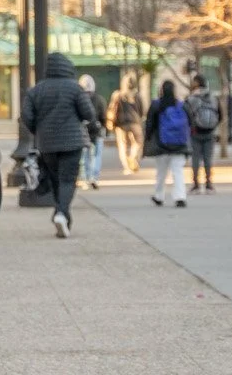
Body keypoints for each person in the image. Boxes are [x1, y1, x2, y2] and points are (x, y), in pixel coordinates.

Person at [21, 53, 98, 239]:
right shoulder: (75, 89)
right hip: (72, 142)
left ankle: (62, 216)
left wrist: (37, 130)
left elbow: (27, 115)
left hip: (46, 143)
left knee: (55, 179)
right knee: (68, 180)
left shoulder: (36, 90)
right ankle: (61, 213)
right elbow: (88, 113)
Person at [145, 79, 191, 207]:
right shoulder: (181, 105)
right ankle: (180, 197)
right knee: (178, 171)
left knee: (161, 172)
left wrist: (148, 138)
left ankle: (159, 196)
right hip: (179, 145)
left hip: (161, 145)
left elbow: (149, 124)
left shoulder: (156, 105)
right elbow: (190, 122)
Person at [185, 75, 223, 195]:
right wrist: (212, 126)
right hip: (210, 132)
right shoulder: (213, 98)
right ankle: (208, 184)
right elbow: (220, 115)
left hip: (195, 132)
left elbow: (186, 115)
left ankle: (196, 184)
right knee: (208, 159)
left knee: (195, 158)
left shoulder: (190, 99)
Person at [107, 75, 145, 176]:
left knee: (122, 145)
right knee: (138, 143)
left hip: (121, 123)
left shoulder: (117, 95)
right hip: (135, 122)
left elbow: (111, 108)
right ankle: (133, 157)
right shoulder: (137, 95)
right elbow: (142, 111)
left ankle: (127, 167)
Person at [78, 74, 108, 191]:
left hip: (83, 131)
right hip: (97, 130)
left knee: (84, 156)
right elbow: (104, 116)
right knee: (97, 155)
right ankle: (94, 178)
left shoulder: (79, 99)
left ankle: (86, 178)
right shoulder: (99, 99)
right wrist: (104, 128)